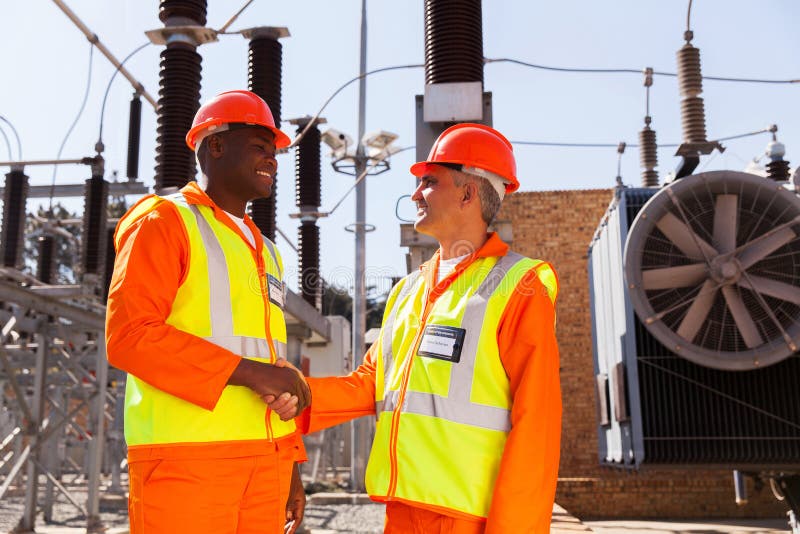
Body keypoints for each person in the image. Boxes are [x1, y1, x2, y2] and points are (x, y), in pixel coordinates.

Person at [270, 123, 562, 533]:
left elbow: (538, 427)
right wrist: (295, 393)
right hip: (403, 513)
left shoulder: (520, 286)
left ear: (468, 192)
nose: (414, 194)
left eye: (429, 181)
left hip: (468, 520)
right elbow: (371, 386)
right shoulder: (409, 290)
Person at [106, 89, 311, 534]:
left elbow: (267, 359)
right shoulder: (164, 221)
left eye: (274, 151)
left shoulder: (266, 251)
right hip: (188, 463)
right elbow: (130, 336)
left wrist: (291, 463)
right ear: (215, 145)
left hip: (265, 466)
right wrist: (253, 374)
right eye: (260, 147)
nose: (272, 160)